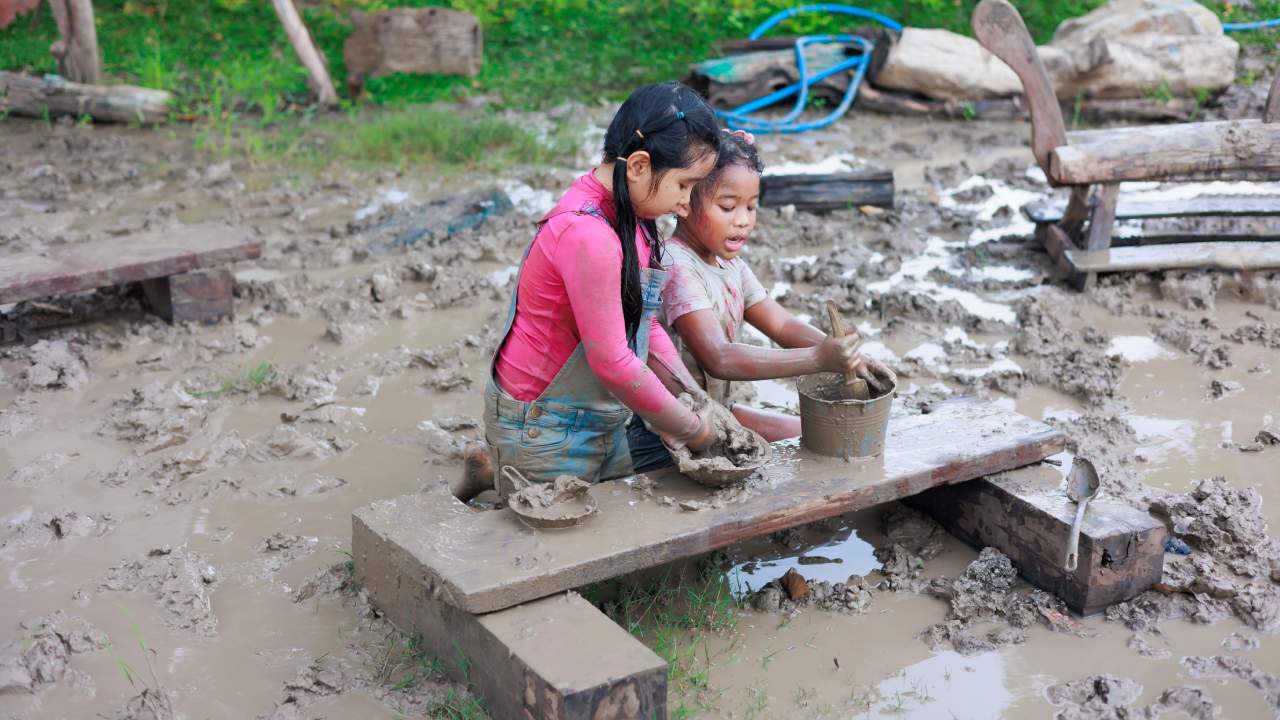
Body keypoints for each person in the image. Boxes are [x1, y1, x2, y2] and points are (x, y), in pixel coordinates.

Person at [466, 82, 726, 496]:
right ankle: (504, 466)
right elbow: (613, 363)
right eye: (684, 186)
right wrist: (692, 429)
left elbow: (645, 323)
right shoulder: (589, 235)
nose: (686, 203)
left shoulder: (630, 211)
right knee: (555, 543)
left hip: (599, 414)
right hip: (543, 426)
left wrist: (690, 394)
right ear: (638, 166)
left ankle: (490, 468)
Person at [627, 132, 896, 473]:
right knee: (811, 453)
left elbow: (781, 324)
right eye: (728, 206)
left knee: (818, 436)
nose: (743, 219)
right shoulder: (677, 265)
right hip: (671, 433)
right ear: (685, 199)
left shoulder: (731, 266)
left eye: (751, 206)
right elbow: (718, 358)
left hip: (721, 411)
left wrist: (852, 358)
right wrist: (818, 358)